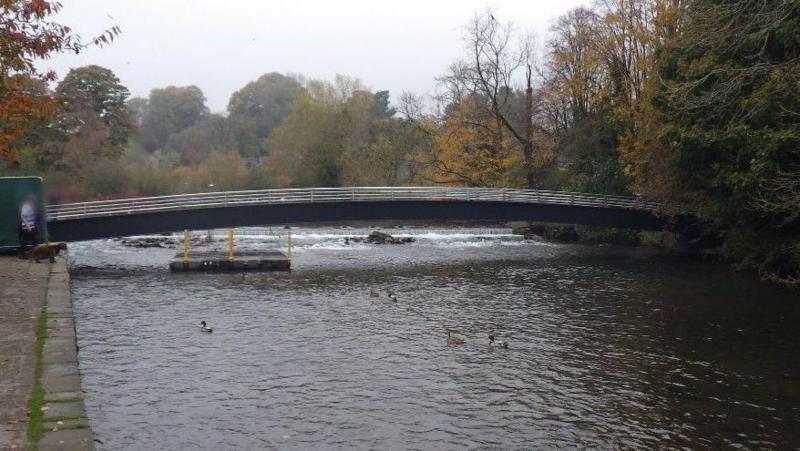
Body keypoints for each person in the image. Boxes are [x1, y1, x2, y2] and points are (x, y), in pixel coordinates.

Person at [18, 195, 38, 259]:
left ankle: (23, 254)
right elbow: (22, 216)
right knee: (30, 241)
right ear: (29, 200)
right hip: (27, 227)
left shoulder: (29, 206)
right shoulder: (26, 207)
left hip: (30, 226)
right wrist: (28, 226)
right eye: (32, 201)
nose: (33, 202)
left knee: (31, 240)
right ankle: (22, 254)